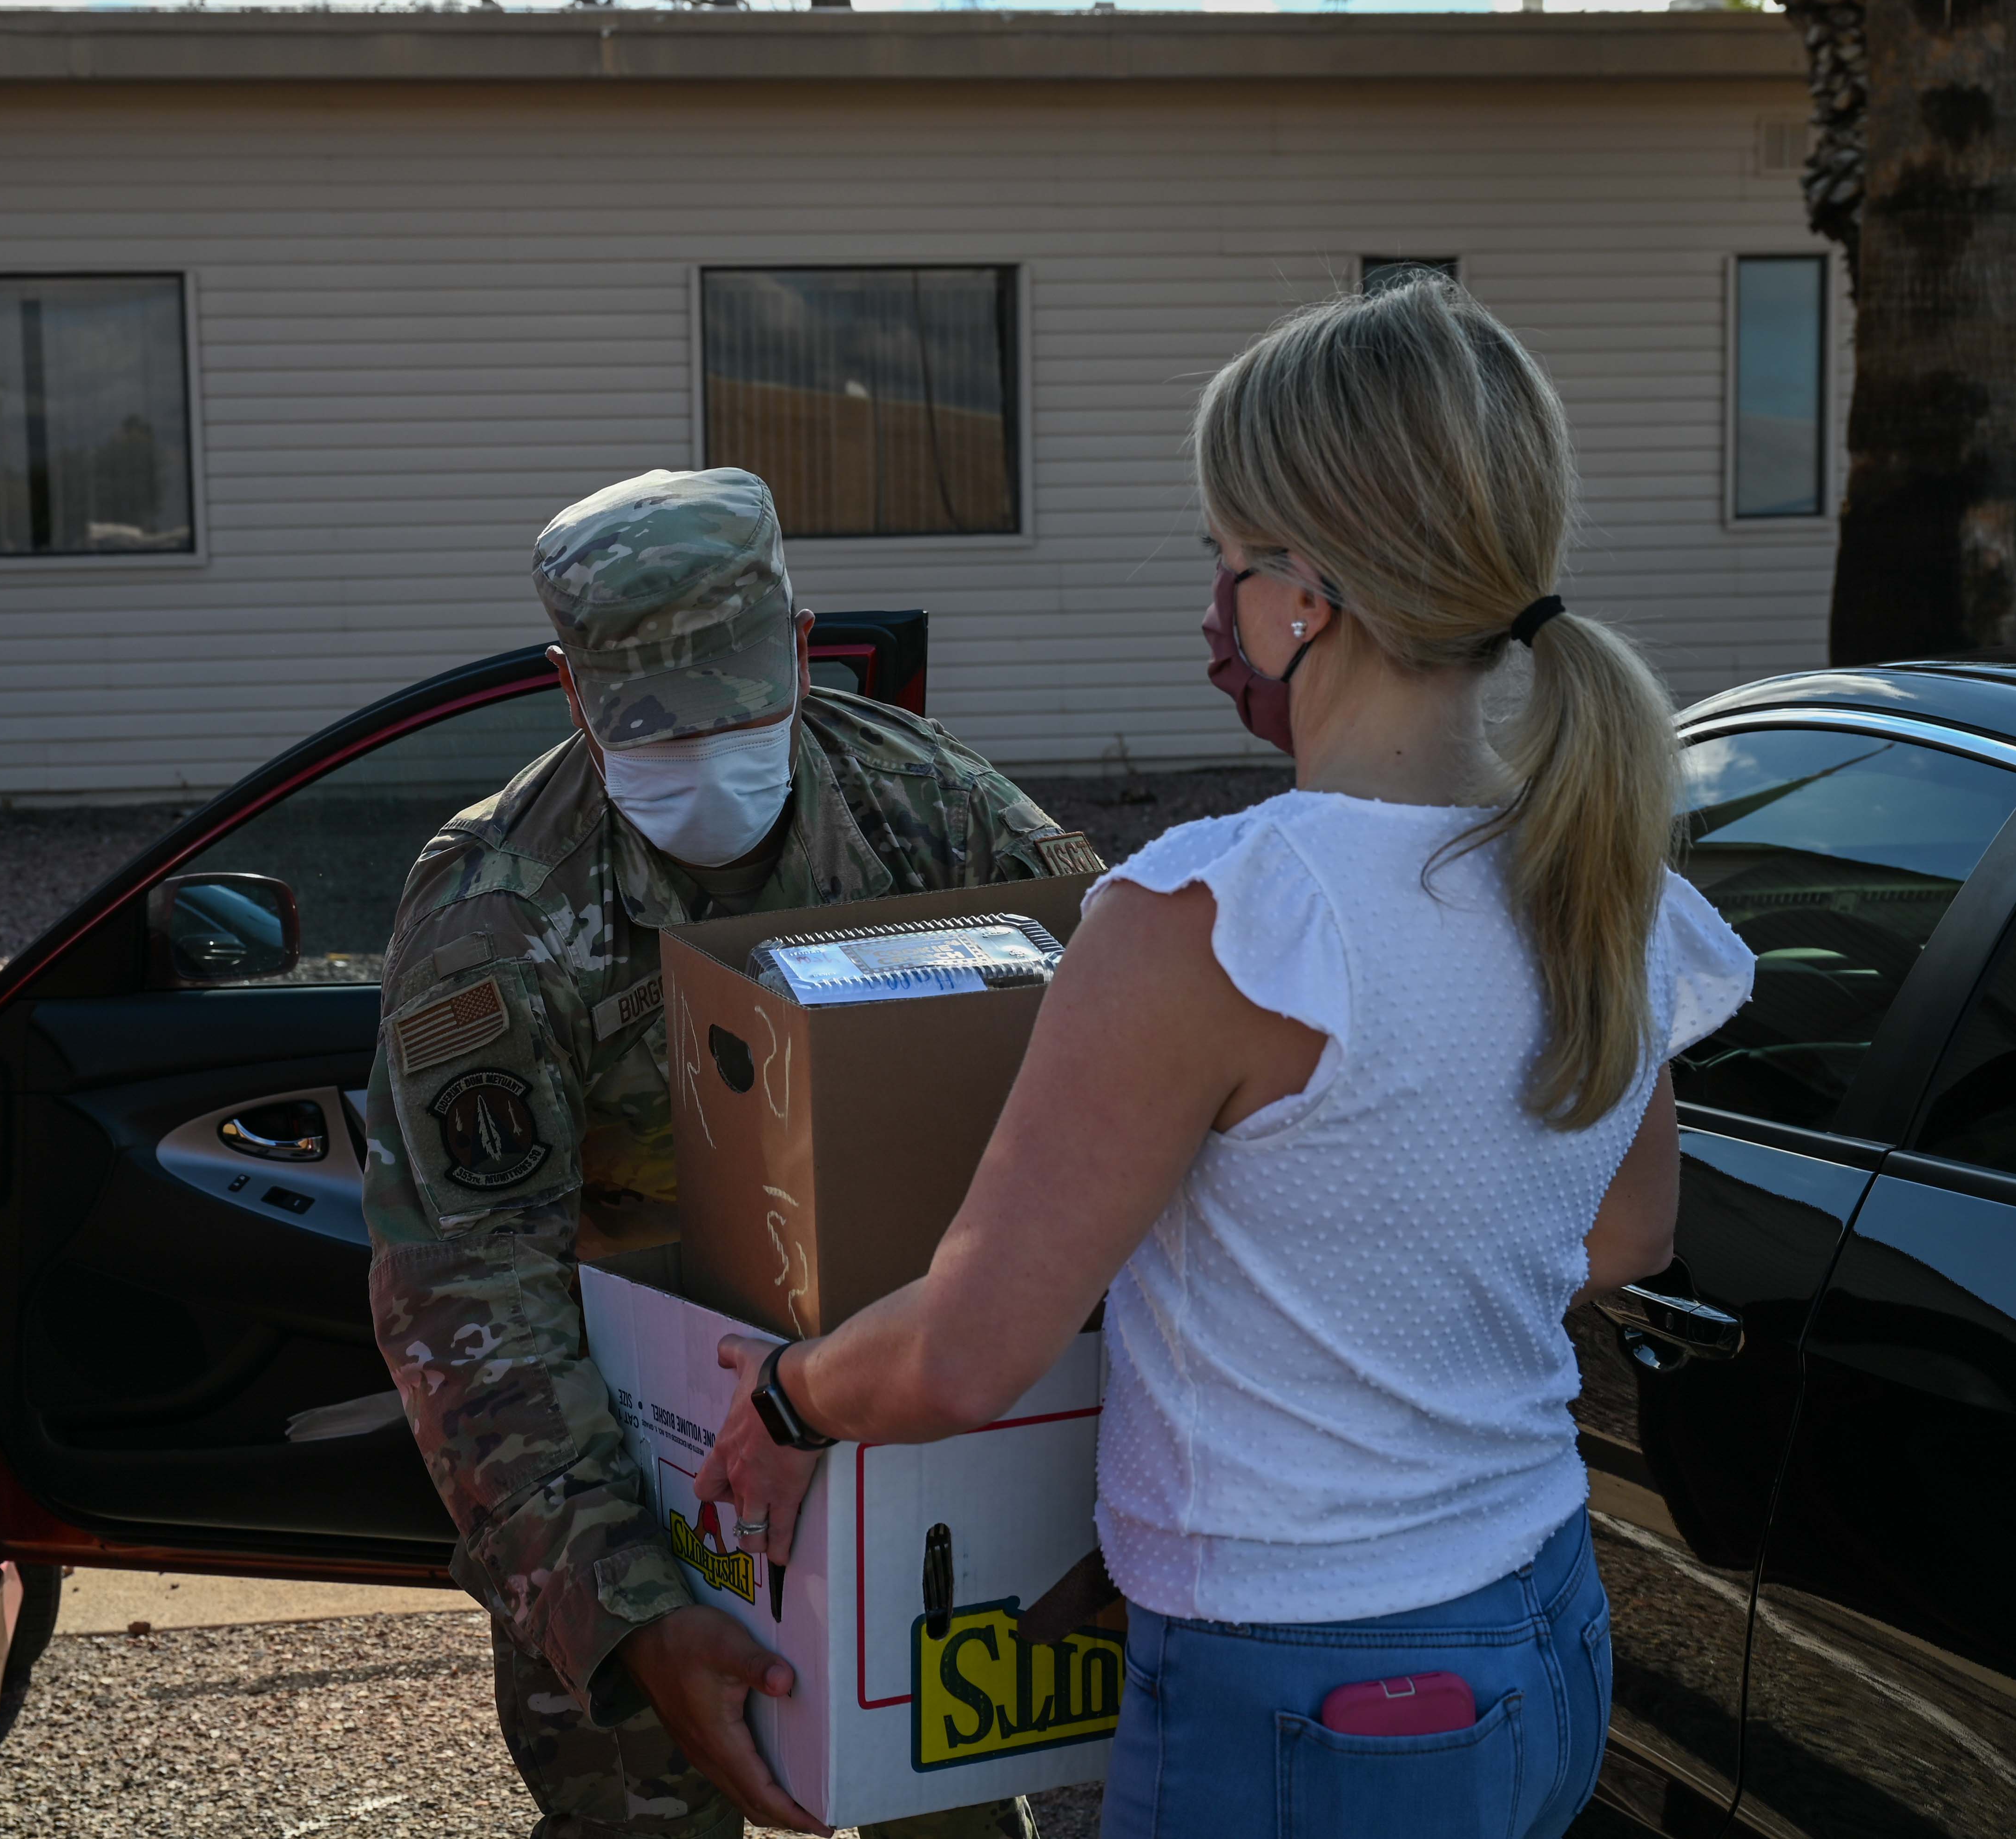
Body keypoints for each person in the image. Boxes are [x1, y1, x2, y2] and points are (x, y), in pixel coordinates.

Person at [692, 277, 1757, 1839]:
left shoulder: (1224, 914)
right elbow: (1625, 1233)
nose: (1215, 599)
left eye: (1222, 553)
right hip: (1539, 1619)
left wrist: (784, 1398)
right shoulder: (1606, 871)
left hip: (1311, 1683)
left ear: (1305, 587)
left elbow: (965, 1354)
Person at [363, 466, 1105, 1839]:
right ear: (572, 692)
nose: (703, 750)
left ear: (803, 648)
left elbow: (1125, 1113)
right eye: (652, 716)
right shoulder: (497, 915)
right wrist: (624, 1610)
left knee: (939, 1808)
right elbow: (465, 1296)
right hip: (620, 1457)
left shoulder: (939, 818)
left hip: (907, 1440)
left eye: (736, 701)